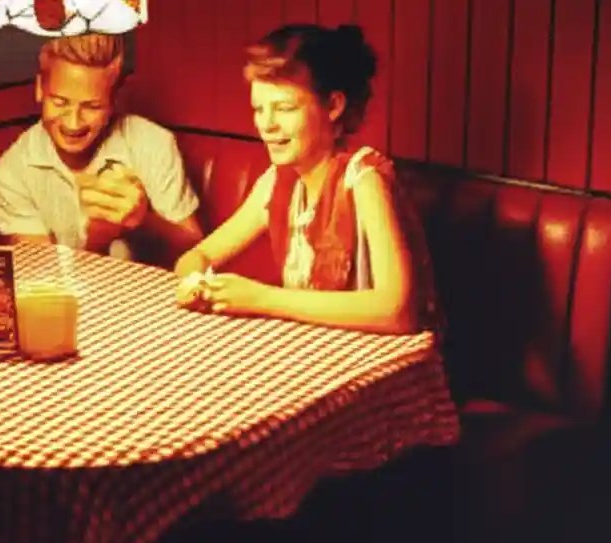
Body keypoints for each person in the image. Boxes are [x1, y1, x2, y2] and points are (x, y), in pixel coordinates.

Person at [174, 24, 438, 335]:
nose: (266, 125)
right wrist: (196, 283)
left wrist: (262, 299)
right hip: (315, 351)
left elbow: (396, 311)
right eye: (259, 109)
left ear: (333, 106)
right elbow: (197, 255)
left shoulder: (363, 180)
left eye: (285, 108)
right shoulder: (276, 182)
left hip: (389, 365)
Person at [0, 33, 203, 265]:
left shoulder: (153, 143)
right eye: (59, 102)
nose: (73, 123)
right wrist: (98, 240)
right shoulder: (12, 170)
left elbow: (195, 249)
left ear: (114, 100)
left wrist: (142, 220)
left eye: (92, 107)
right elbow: (41, 277)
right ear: (40, 88)